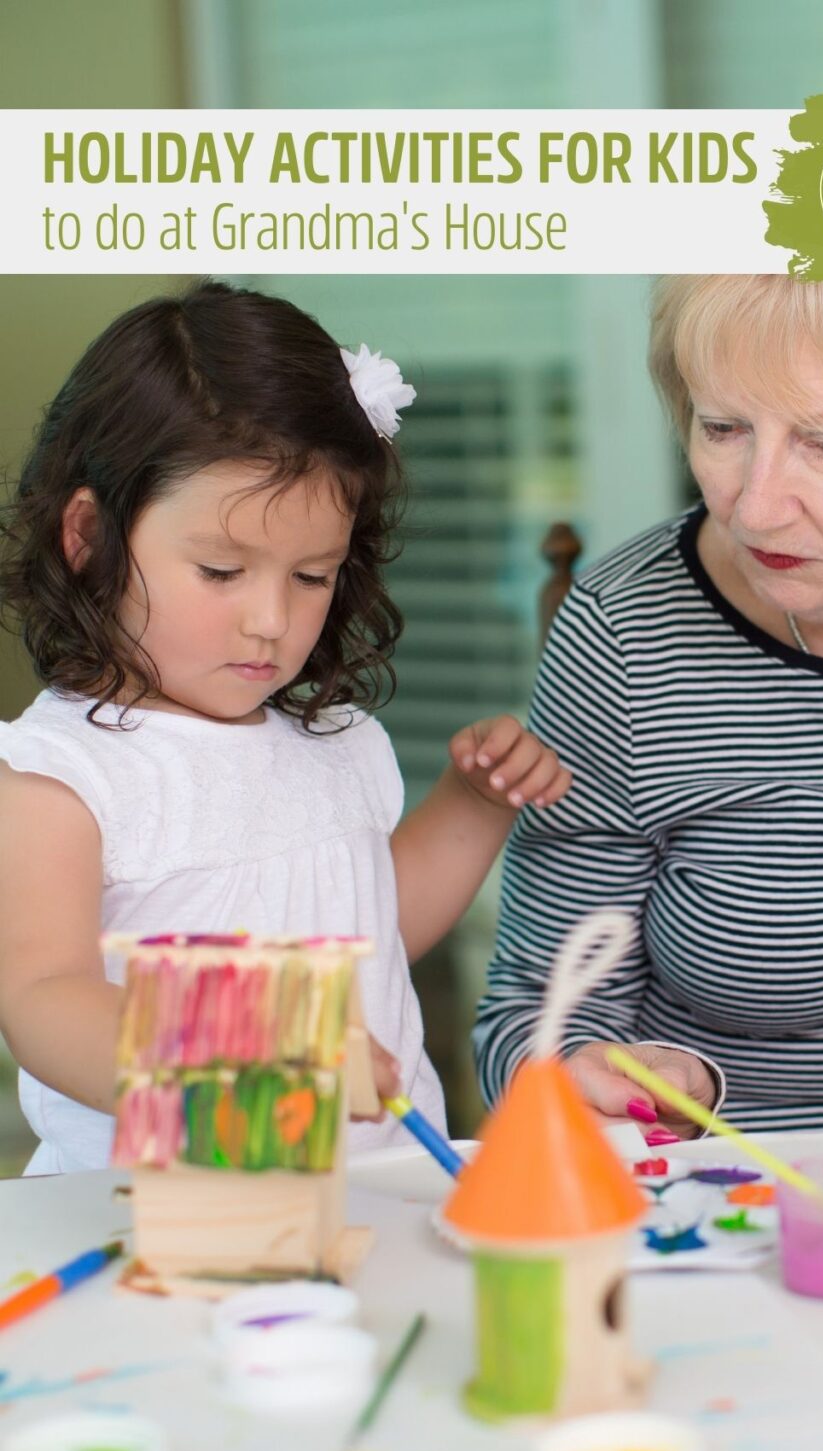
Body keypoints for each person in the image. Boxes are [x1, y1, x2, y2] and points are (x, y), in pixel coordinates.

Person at [0, 281, 571, 1174]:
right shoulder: (61, 777)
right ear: (89, 538)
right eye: (221, 571)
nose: (271, 621)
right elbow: (44, 999)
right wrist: (257, 1047)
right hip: (158, 1218)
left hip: (373, 1193)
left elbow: (373, 927)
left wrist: (476, 803)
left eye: (312, 576)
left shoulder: (332, 742)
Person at [475, 273, 823, 1138]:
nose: (755, 507)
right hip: (741, 1169)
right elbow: (535, 1012)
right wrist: (588, 1077)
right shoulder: (630, 632)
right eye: (722, 428)